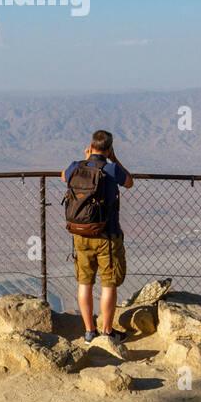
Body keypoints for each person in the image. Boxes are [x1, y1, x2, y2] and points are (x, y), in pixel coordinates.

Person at [62, 130, 133, 343]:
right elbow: (129, 181)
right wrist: (115, 158)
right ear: (109, 149)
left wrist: (85, 160)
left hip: (80, 234)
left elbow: (64, 176)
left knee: (85, 283)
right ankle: (107, 332)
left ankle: (89, 332)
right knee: (108, 284)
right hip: (106, 235)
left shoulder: (76, 166)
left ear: (91, 147)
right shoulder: (111, 169)